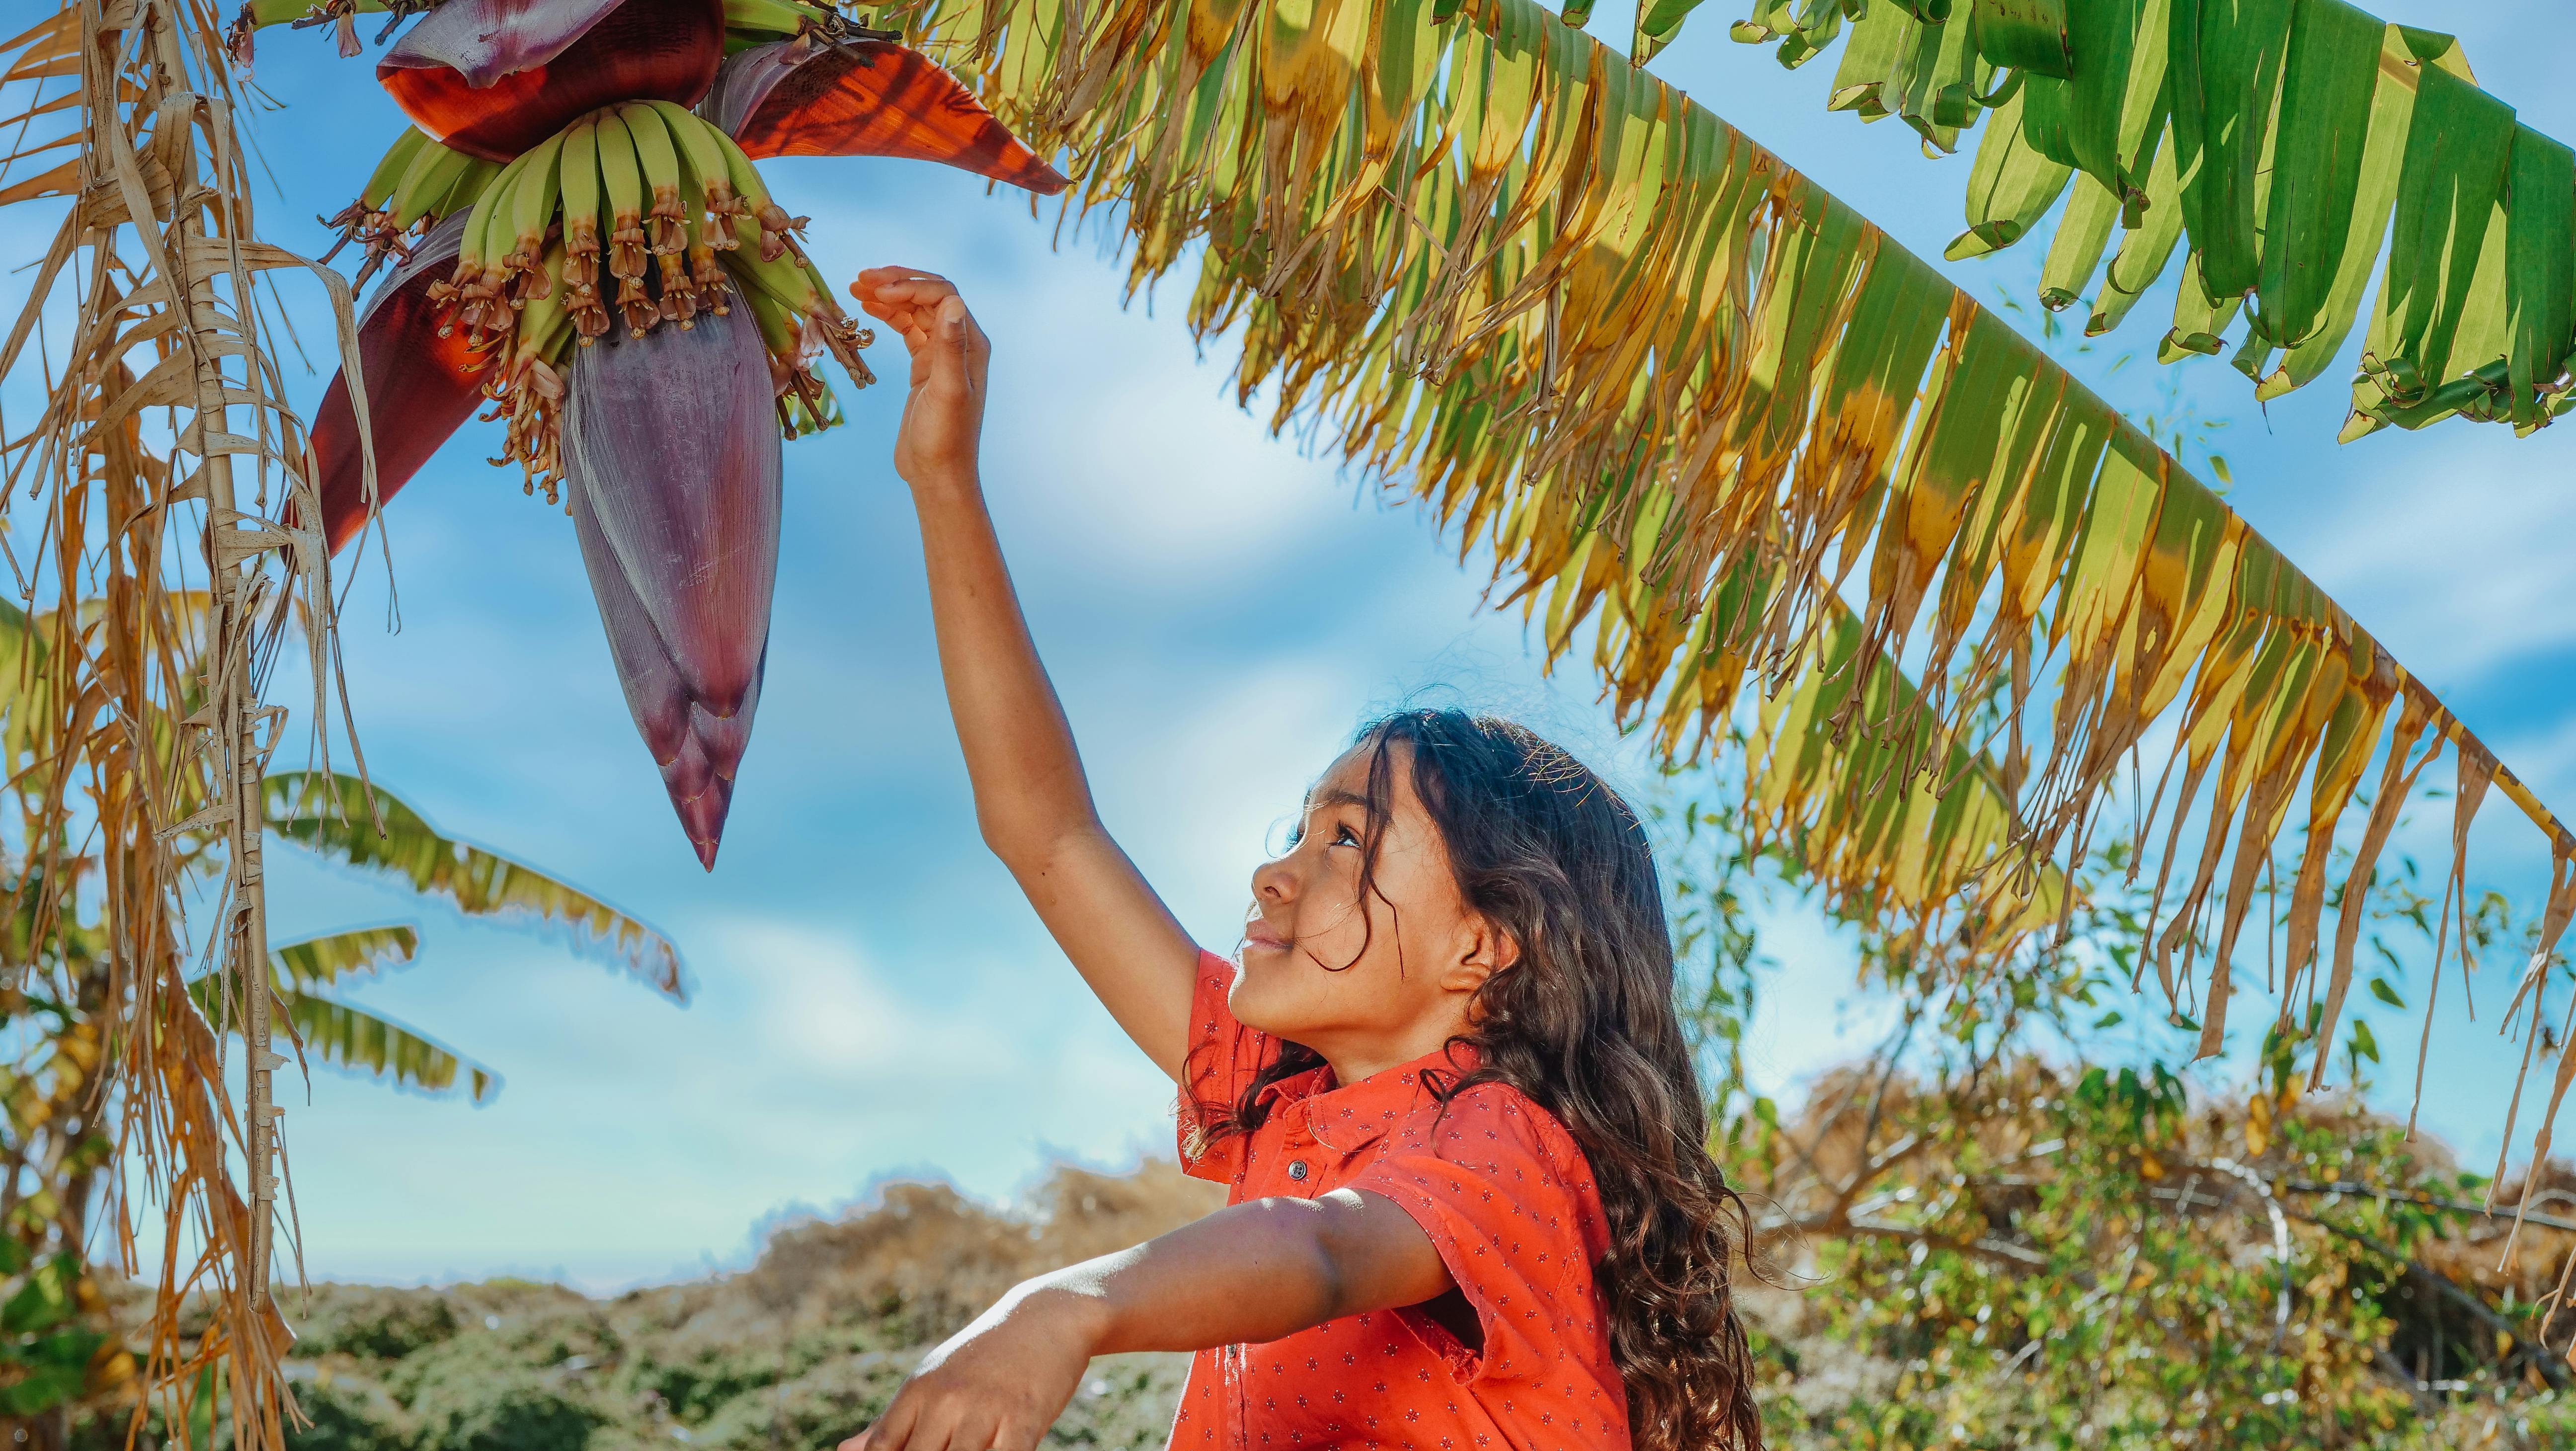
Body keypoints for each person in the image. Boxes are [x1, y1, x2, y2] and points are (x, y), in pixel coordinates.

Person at [841, 266, 1767, 1451]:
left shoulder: (1507, 1147)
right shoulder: (1286, 1095)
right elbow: (1047, 828)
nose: (1275, 874)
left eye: (1347, 841)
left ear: (1483, 944)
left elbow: (1324, 1247)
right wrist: (944, 479)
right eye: (1298, 831)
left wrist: (1061, 1306)